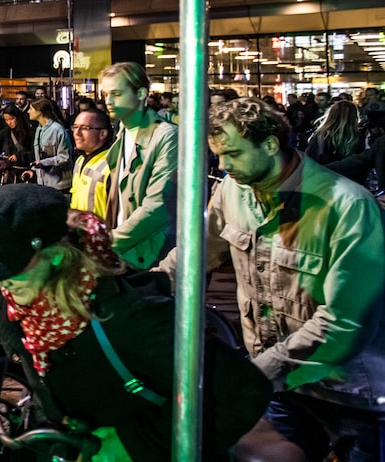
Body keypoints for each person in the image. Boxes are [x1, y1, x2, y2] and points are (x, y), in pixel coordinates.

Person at [0, 184, 271, 461]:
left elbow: (242, 391)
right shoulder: (12, 308)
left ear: (56, 255)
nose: (1, 285)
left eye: (10, 269)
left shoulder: (129, 315)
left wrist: (131, 444)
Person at [156, 98, 385, 461]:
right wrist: (145, 288)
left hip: (348, 393)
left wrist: (260, 372)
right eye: (218, 155)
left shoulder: (348, 207)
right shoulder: (234, 190)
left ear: (270, 144)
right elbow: (197, 253)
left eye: (232, 154)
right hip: (279, 383)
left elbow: (345, 320)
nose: (223, 166)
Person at [99, 61, 178, 269]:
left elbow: (157, 207)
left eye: (116, 94)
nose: (108, 100)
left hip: (154, 256)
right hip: (128, 253)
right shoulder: (123, 134)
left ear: (141, 94)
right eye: (105, 94)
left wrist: (108, 243)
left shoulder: (166, 136)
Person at [69, 107, 112, 218]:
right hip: (80, 232)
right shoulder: (80, 160)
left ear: (102, 133)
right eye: (75, 127)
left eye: (84, 128)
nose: (77, 133)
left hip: (102, 233)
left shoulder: (111, 165)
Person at [26, 98, 72, 192]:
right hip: (43, 183)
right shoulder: (39, 129)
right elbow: (40, 156)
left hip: (59, 185)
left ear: (39, 112)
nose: (28, 111)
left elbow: (65, 157)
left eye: (31, 109)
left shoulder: (57, 130)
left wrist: (44, 163)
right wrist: (34, 170)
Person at [304, 100, 365, 168]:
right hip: (349, 176)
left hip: (325, 174)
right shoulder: (357, 136)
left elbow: (311, 158)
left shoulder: (321, 135)